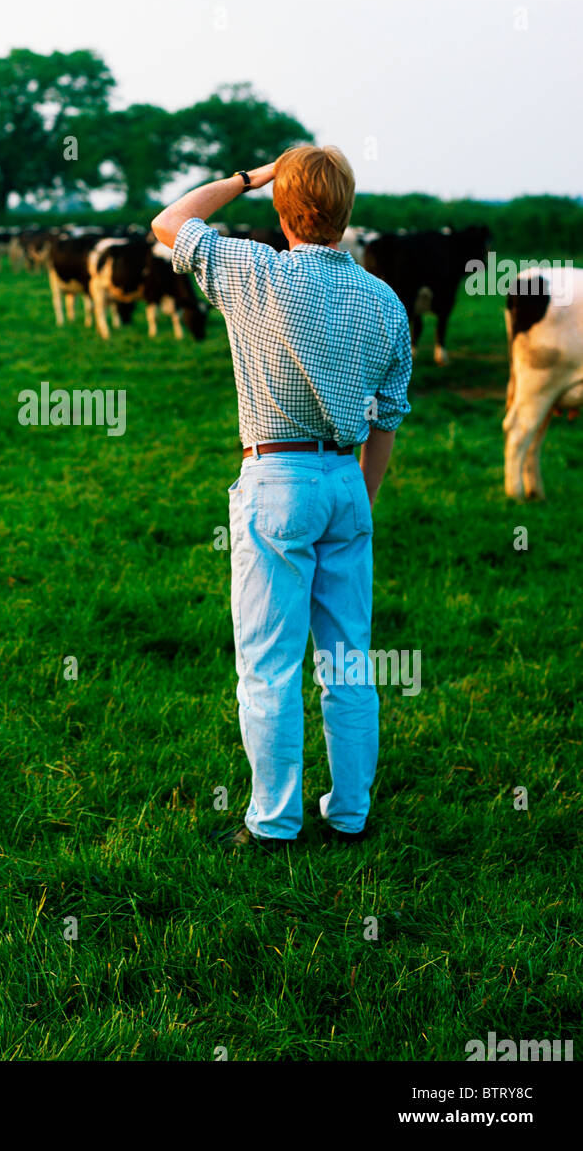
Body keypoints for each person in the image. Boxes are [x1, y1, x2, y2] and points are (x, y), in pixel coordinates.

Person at [151, 146, 412, 849]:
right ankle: (350, 813)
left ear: (281, 208)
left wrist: (247, 176)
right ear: (348, 210)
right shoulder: (384, 299)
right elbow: (387, 419)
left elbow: (169, 222)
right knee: (349, 661)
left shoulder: (251, 268)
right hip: (346, 483)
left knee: (269, 664)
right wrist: (360, 500)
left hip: (275, 479)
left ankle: (273, 822)